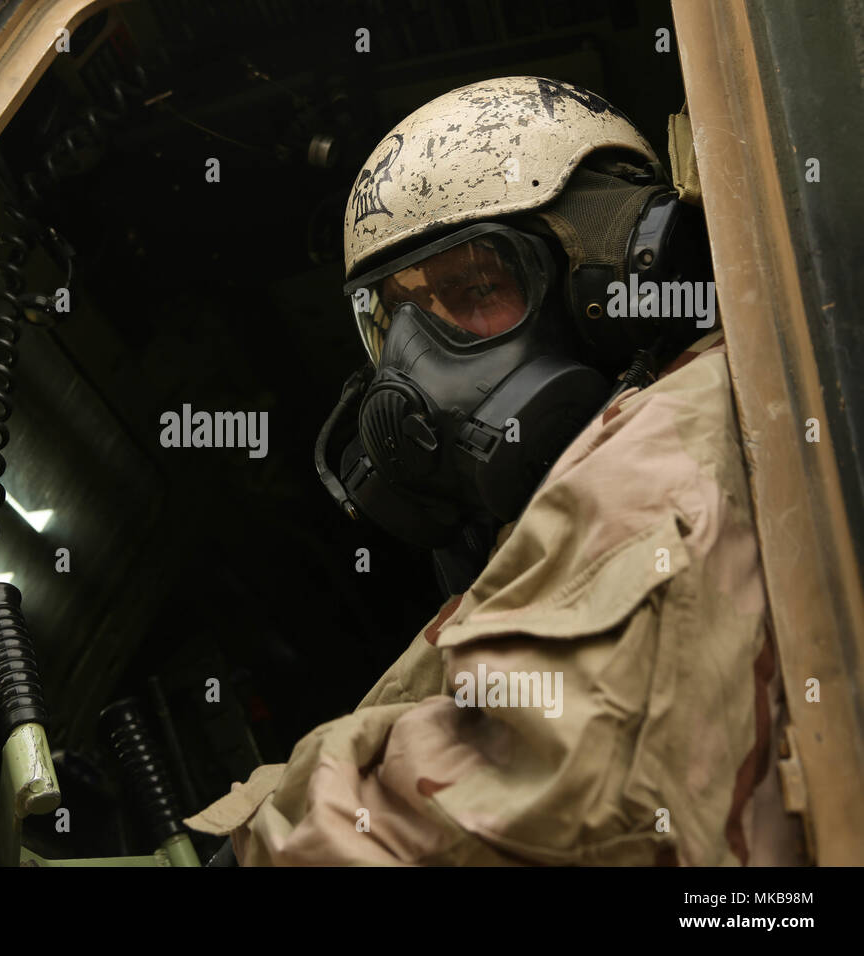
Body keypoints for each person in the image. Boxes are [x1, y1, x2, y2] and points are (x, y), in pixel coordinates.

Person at [186, 76, 806, 866]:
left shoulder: (666, 448)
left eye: (475, 288)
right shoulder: (574, 506)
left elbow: (522, 795)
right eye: (394, 319)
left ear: (612, 283)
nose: (417, 370)